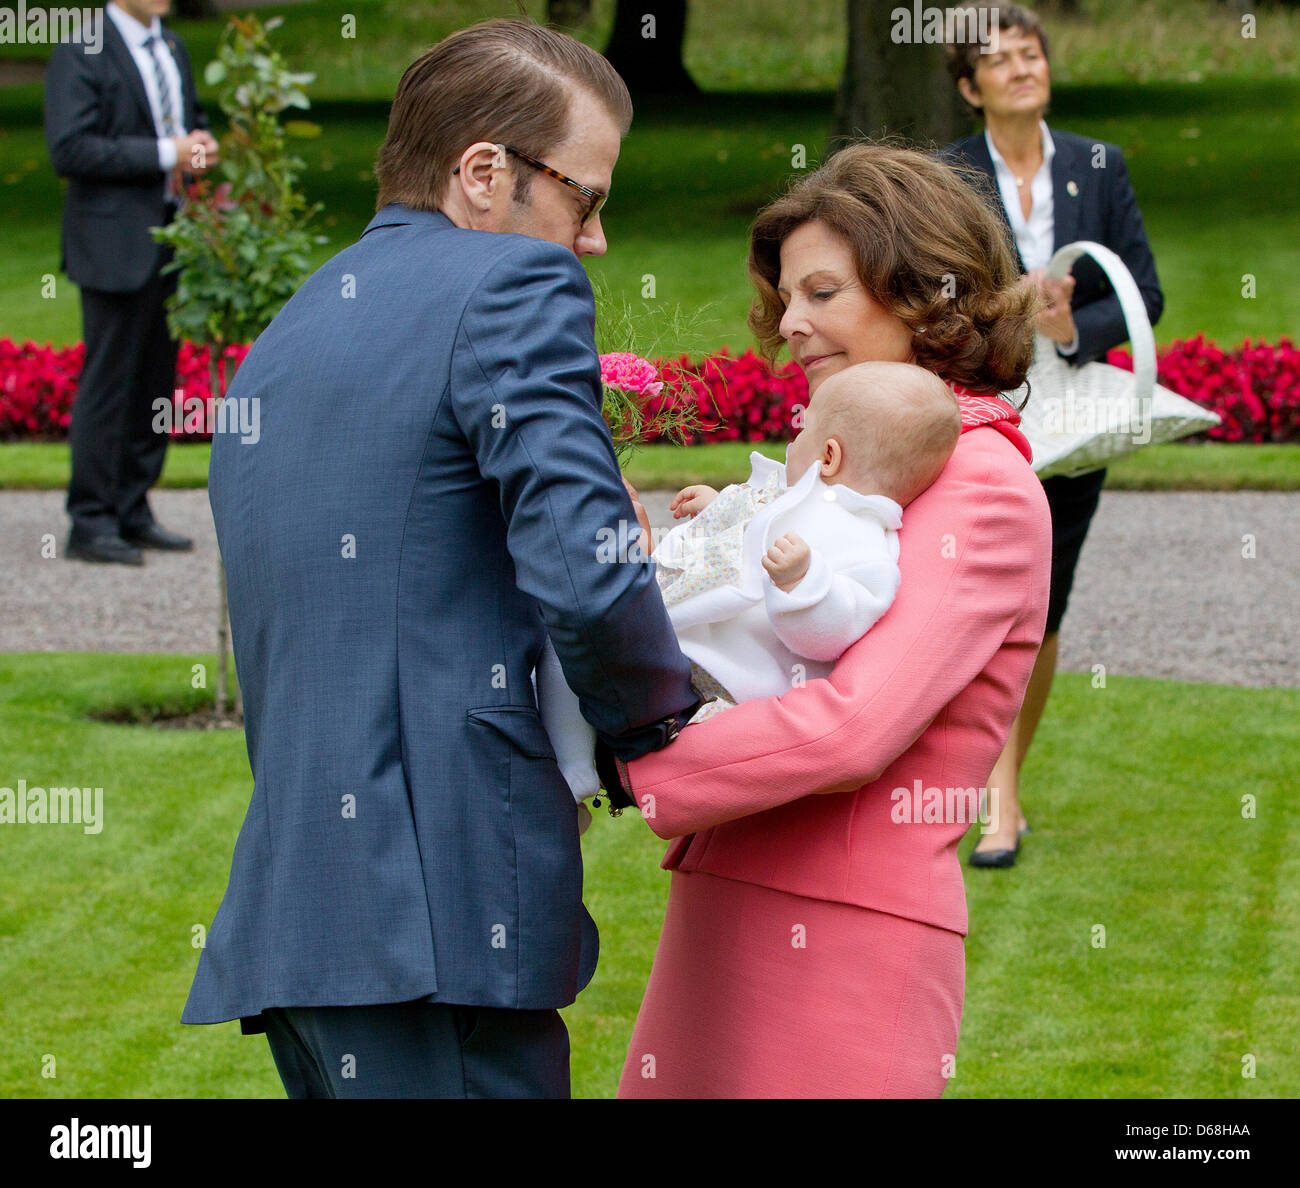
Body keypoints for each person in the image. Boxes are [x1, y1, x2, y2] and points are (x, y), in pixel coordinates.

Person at [180, 19, 701, 1099]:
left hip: (307, 915)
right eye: (584, 198)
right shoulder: (511, 286)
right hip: (443, 905)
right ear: (482, 173)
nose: (593, 239)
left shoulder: (283, 337)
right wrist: (663, 725)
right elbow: (584, 561)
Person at [602, 144, 1051, 1099]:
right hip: (735, 886)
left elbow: (854, 726)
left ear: (925, 293)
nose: (790, 324)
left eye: (820, 293)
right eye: (786, 298)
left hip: (849, 926)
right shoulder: (856, 467)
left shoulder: (981, 483)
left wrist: (633, 762)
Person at [942, 3, 1163, 867]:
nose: (1024, 68)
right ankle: (958, 778)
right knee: (976, 599)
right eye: (1001, 60)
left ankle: (1004, 793)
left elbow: (1144, 295)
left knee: (1046, 602)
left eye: (1032, 53)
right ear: (970, 86)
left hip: (1074, 421)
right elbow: (929, 292)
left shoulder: (1096, 165)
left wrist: (1071, 328)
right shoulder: (950, 174)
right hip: (983, 413)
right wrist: (1010, 312)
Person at [538, 361, 962, 802]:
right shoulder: (800, 496)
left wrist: (806, 583)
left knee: (573, 627)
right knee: (576, 629)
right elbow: (754, 526)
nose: (791, 444)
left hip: (712, 674)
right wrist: (719, 507)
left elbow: (835, 628)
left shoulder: (865, 542)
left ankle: (571, 771)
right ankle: (570, 762)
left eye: (802, 434)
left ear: (830, 456)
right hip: (686, 643)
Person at [44, 0, 217, 565]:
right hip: (112, 246)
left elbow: (187, 119)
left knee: (154, 382)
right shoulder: (82, 47)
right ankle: (90, 521)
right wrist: (170, 151)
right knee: (109, 382)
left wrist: (202, 145)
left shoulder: (172, 46)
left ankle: (133, 506)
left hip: (172, 241)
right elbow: (70, 148)